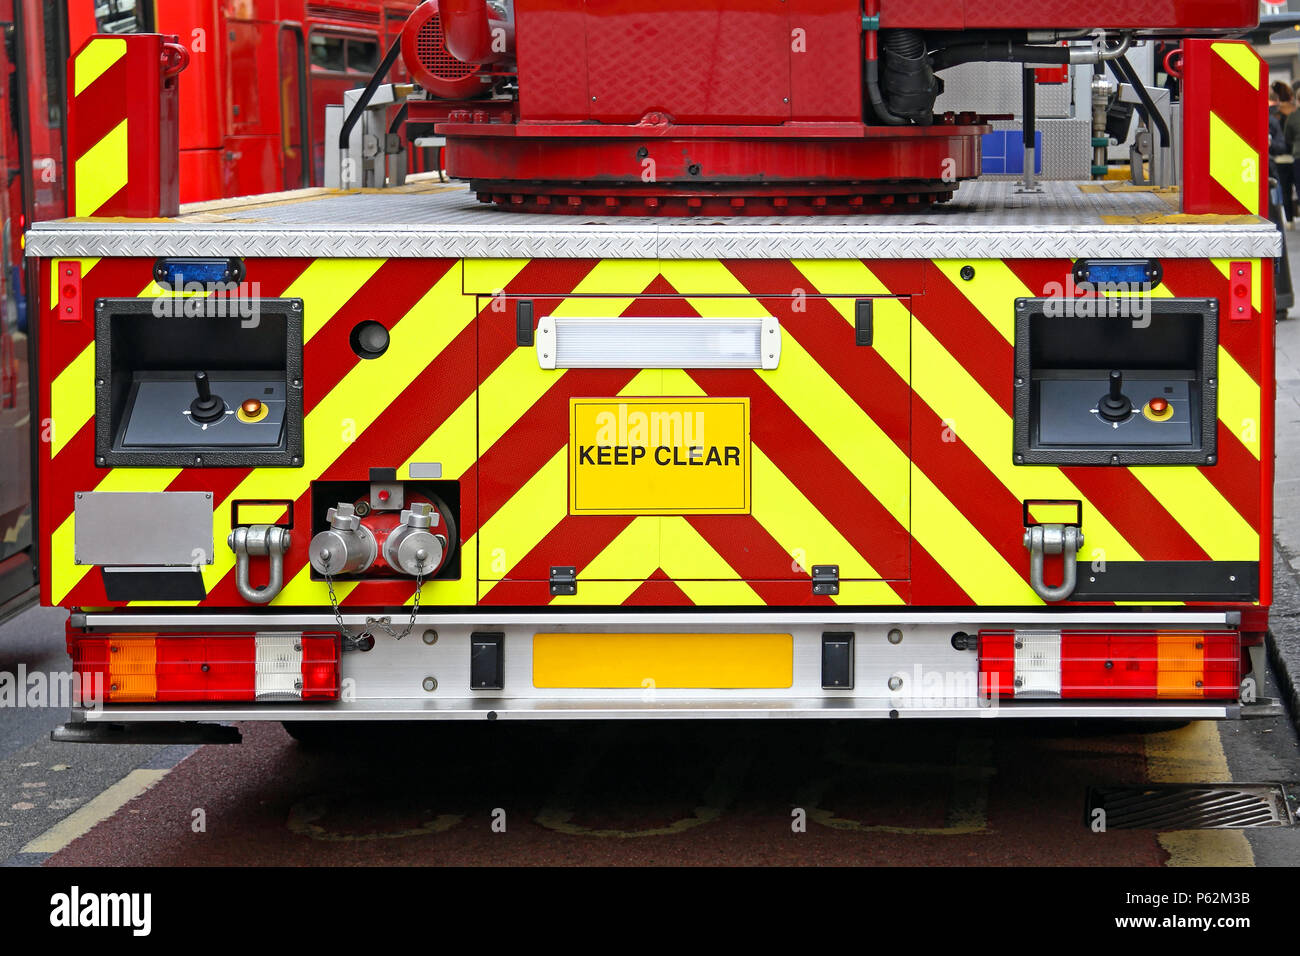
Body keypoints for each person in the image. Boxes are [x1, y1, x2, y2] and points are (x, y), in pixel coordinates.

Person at [1274, 81, 1297, 227]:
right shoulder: (1295, 112)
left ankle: (1289, 221)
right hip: (1295, 155)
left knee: (1286, 190)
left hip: (1281, 158)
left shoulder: (1276, 114)